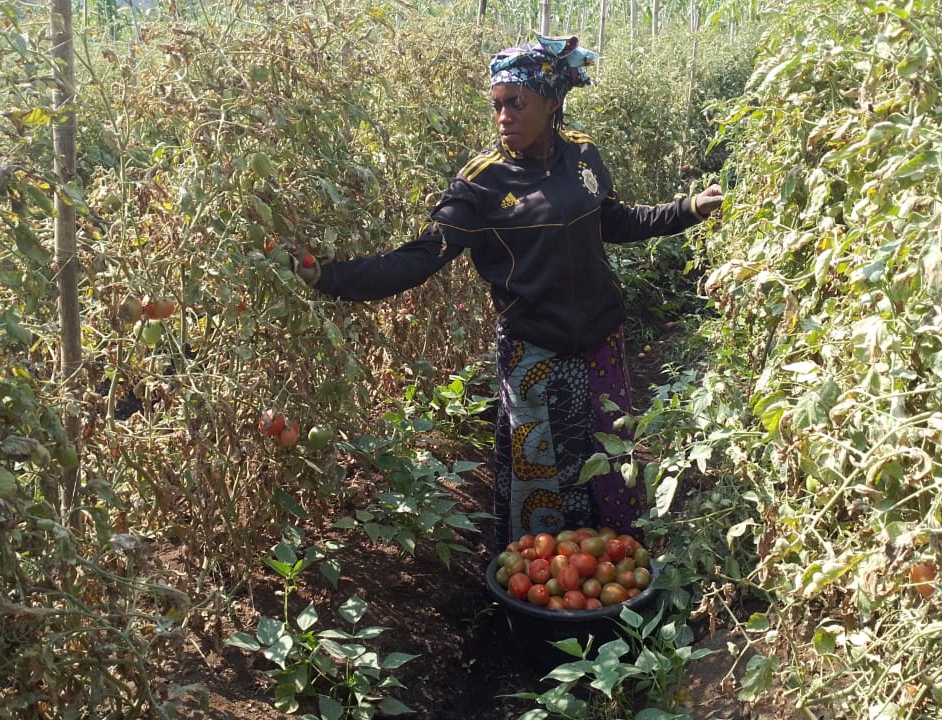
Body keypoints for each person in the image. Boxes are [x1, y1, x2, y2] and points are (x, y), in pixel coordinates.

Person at [294, 34, 723, 547]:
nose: (503, 116)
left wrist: (687, 209)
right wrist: (331, 278)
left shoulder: (583, 156)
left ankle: (616, 568)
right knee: (540, 480)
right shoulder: (482, 183)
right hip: (534, 353)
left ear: (551, 102)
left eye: (516, 104)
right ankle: (534, 597)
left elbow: (614, 220)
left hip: (601, 344)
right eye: (497, 105)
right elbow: (419, 257)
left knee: (609, 463)